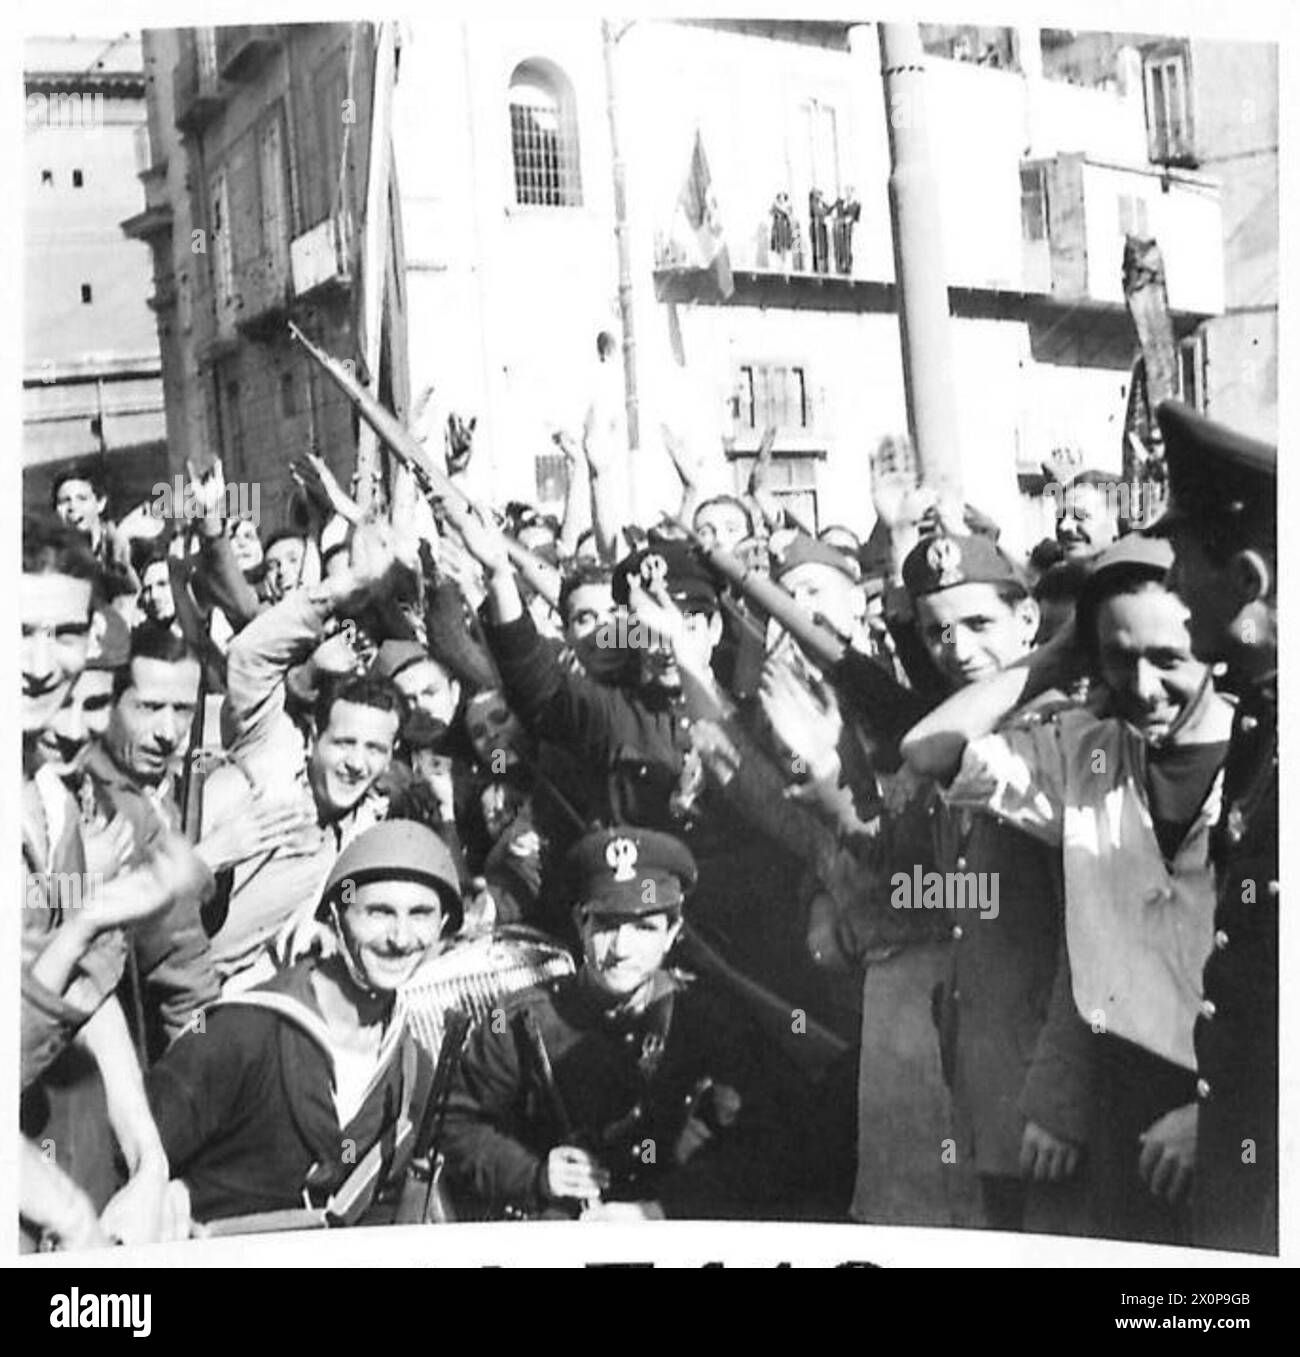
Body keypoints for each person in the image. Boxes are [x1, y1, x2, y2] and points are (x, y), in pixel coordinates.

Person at [906, 535, 1233, 1244]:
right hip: (1121, 1099)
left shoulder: (1266, 759)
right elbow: (930, 749)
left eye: (1169, 658)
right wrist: (1055, 653)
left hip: (1241, 1102)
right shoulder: (1084, 755)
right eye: (1120, 657)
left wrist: (1221, 1108)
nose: (1143, 686)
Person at [440, 827, 797, 1219]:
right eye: (607, 925)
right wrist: (535, 1175)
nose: (622, 949)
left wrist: (660, 1210)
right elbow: (454, 1124)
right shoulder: (524, 1019)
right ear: (580, 923)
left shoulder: (707, 1020)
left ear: (673, 933)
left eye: (645, 927)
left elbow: (765, 1144)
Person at [145, 820, 460, 1227]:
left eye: (421, 914)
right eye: (379, 912)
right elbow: (134, 1159)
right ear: (336, 915)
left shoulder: (412, 1073)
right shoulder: (242, 1032)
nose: (400, 938)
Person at [1145, 399, 1278, 1255]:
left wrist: (1236, 1115)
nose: (1171, 592)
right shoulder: (1263, 719)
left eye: (1181, 562)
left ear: (1248, 576)